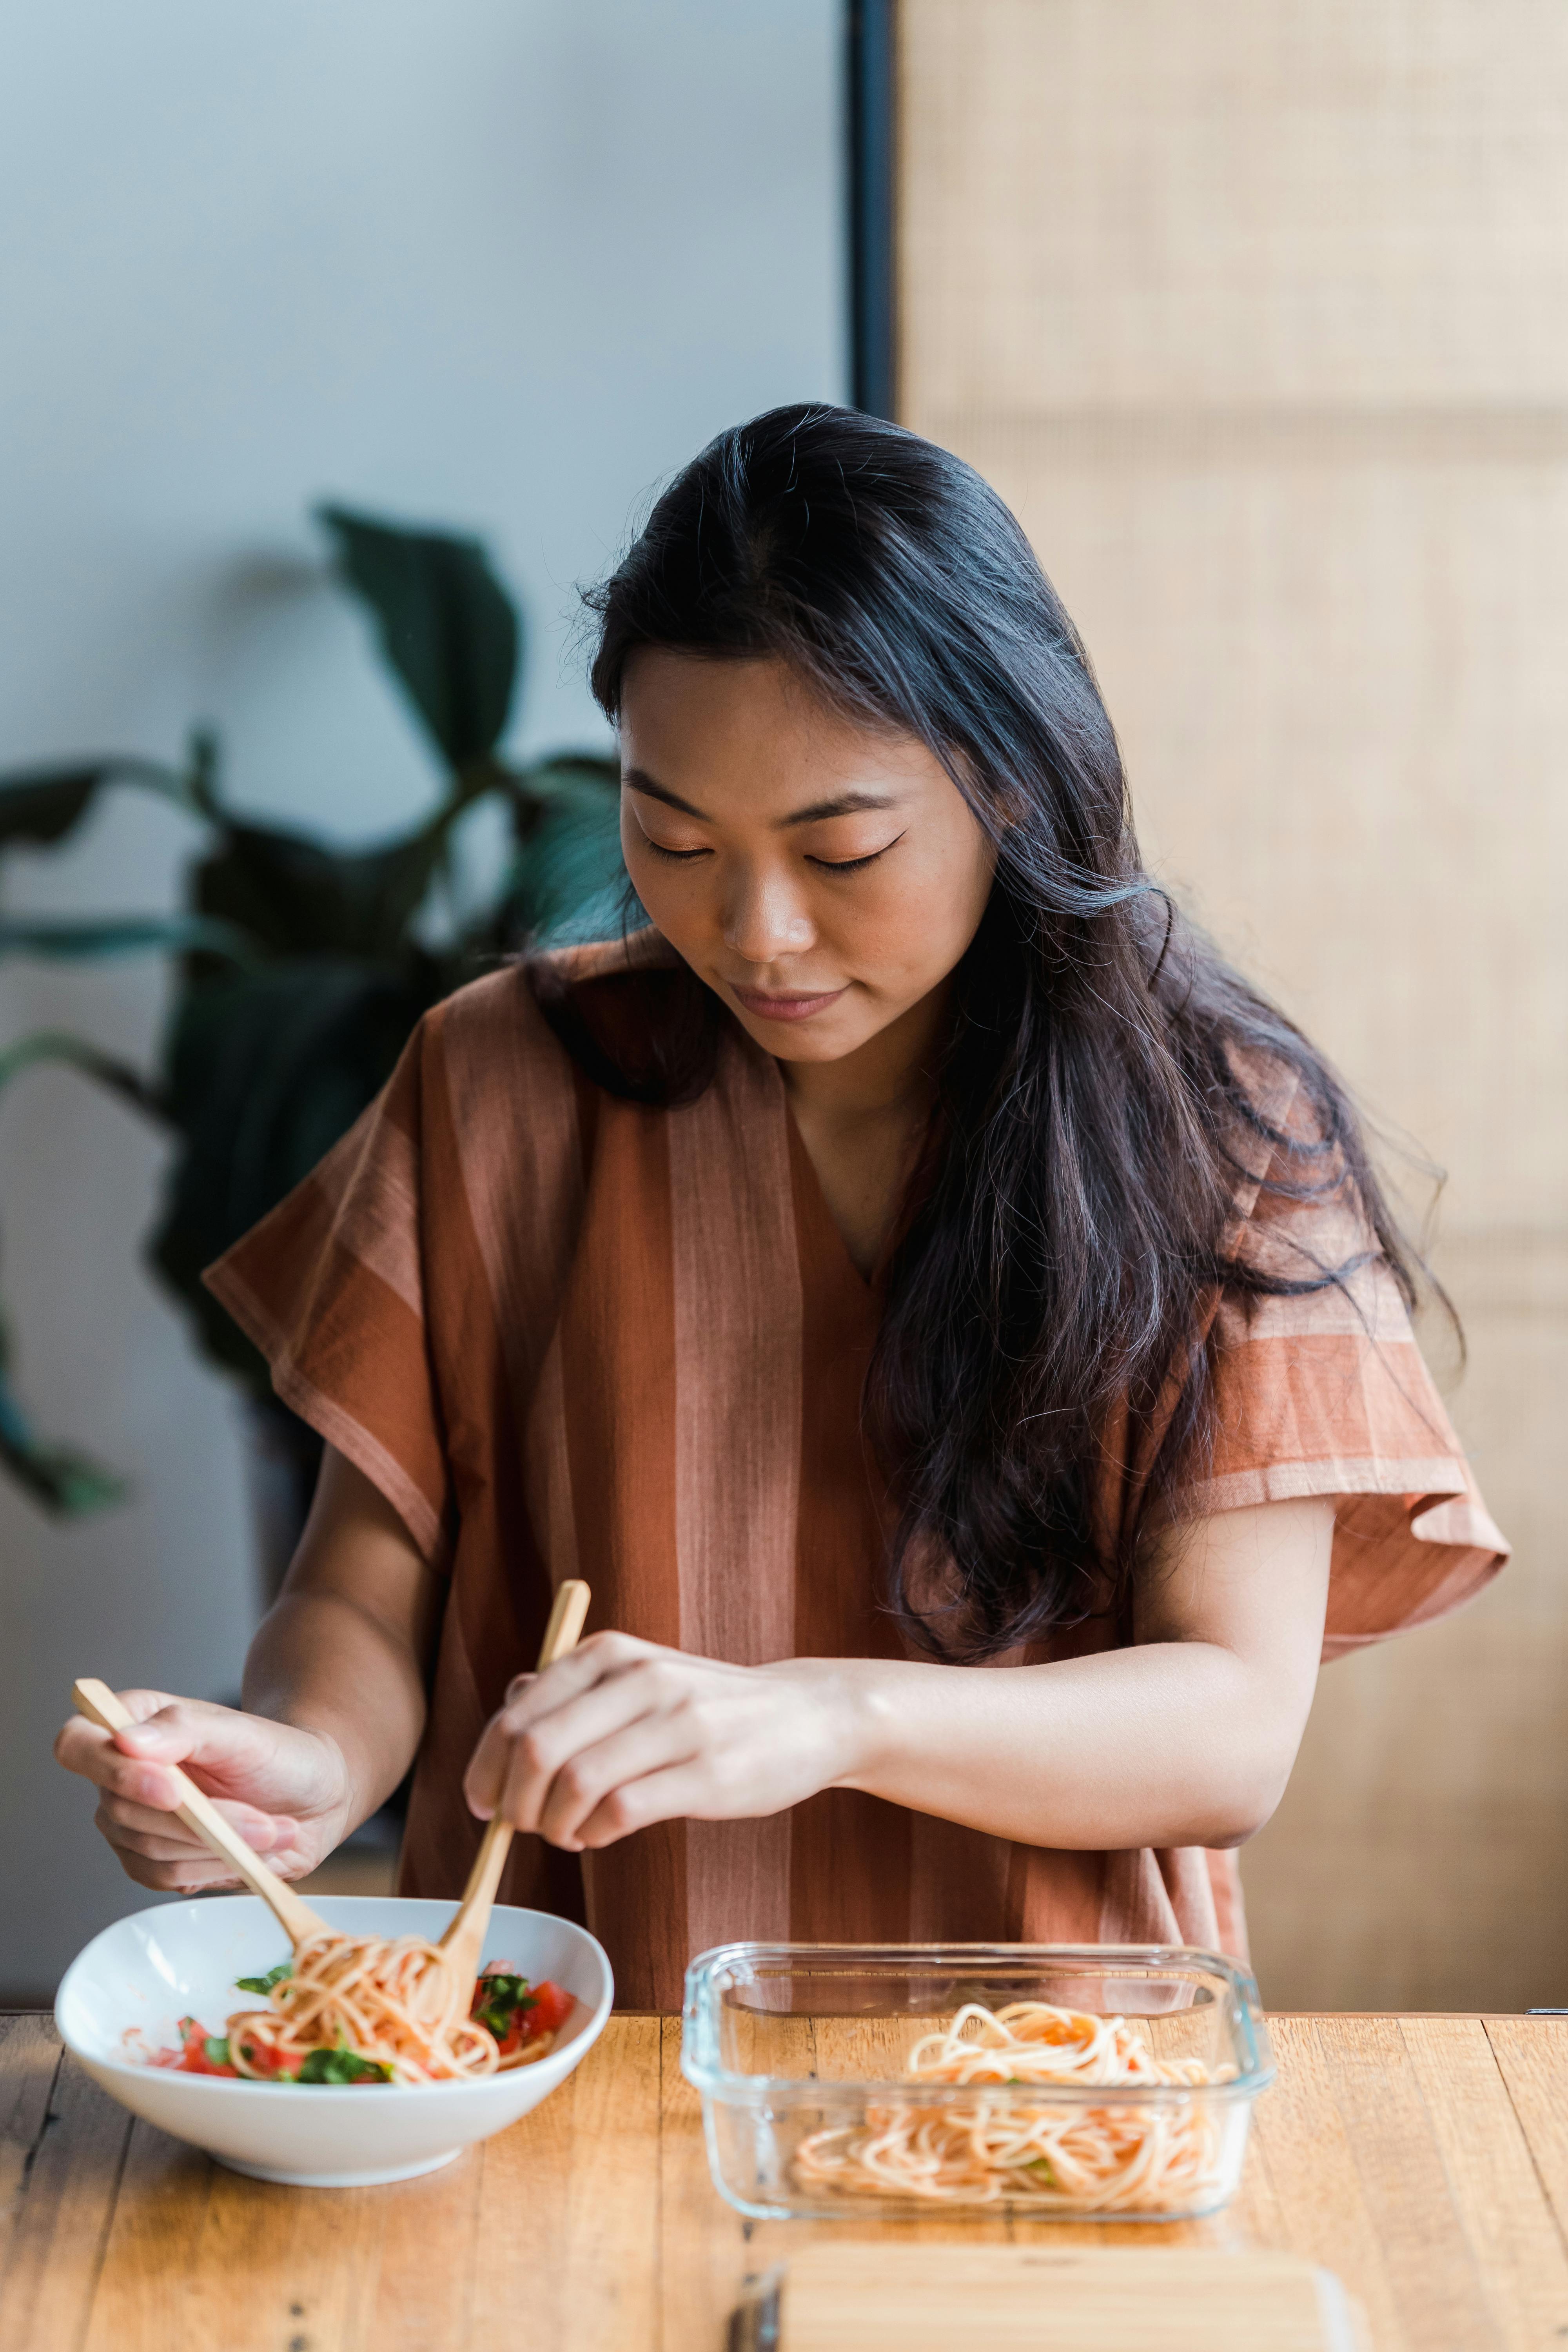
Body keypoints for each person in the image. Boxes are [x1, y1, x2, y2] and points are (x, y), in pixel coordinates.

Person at [56, 405, 1506, 2009]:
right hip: (581, 2047)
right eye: (672, 837)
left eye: (841, 850)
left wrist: (826, 1715)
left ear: (1014, 783)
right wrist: (308, 1763)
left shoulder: (1218, 1128)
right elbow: (356, 1587)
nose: (754, 934)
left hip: (1050, 2077)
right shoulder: (497, 1081)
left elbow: (1232, 1729)